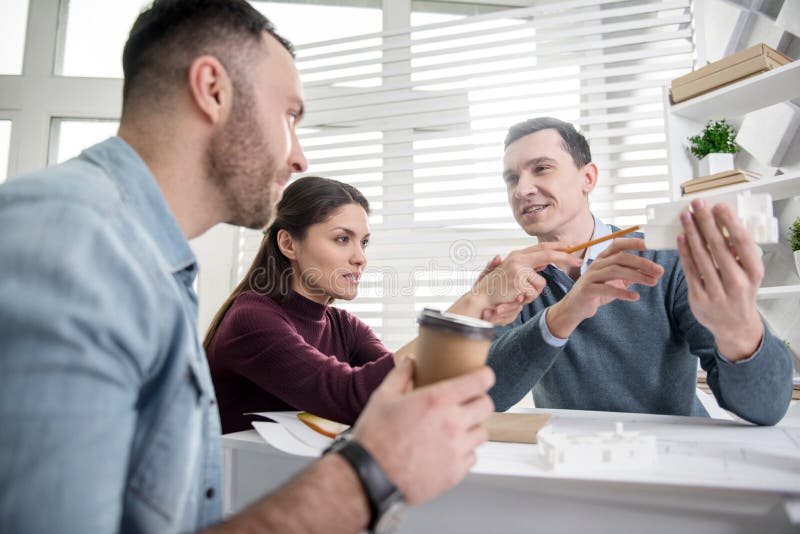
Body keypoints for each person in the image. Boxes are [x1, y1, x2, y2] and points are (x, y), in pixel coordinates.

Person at [0, 2, 501, 533]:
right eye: (289, 115)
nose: (300, 158)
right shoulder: (76, 244)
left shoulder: (147, 262)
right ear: (213, 90)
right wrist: (367, 478)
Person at [204, 175, 579, 433]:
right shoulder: (252, 318)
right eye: (341, 239)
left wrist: (483, 318)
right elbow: (352, 396)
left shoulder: (344, 327)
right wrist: (472, 301)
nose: (360, 258)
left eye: (363, 242)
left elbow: (408, 391)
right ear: (288, 244)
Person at [486, 116, 793, 426]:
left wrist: (741, 331)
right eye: (511, 178)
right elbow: (486, 396)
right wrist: (563, 314)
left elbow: (765, 408)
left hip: (673, 462)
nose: (521, 190)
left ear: (588, 178)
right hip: (571, 463)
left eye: (541, 168)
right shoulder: (513, 280)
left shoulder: (665, 259)